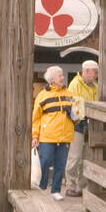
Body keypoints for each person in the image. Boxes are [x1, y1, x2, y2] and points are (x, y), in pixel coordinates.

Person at [32, 65, 76, 200]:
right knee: (45, 161)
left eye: (62, 75)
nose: (62, 77)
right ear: (52, 79)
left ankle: (55, 190)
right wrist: (35, 136)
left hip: (65, 137)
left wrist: (75, 114)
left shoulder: (69, 94)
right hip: (48, 136)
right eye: (60, 75)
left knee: (60, 164)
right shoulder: (42, 95)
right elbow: (36, 118)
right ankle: (42, 187)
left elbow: (77, 115)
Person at [65, 60, 100, 196]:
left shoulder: (94, 87)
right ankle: (71, 186)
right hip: (77, 125)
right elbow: (75, 109)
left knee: (87, 157)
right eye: (94, 72)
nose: (96, 75)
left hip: (90, 124)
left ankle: (82, 187)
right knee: (75, 156)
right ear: (86, 71)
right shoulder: (75, 85)